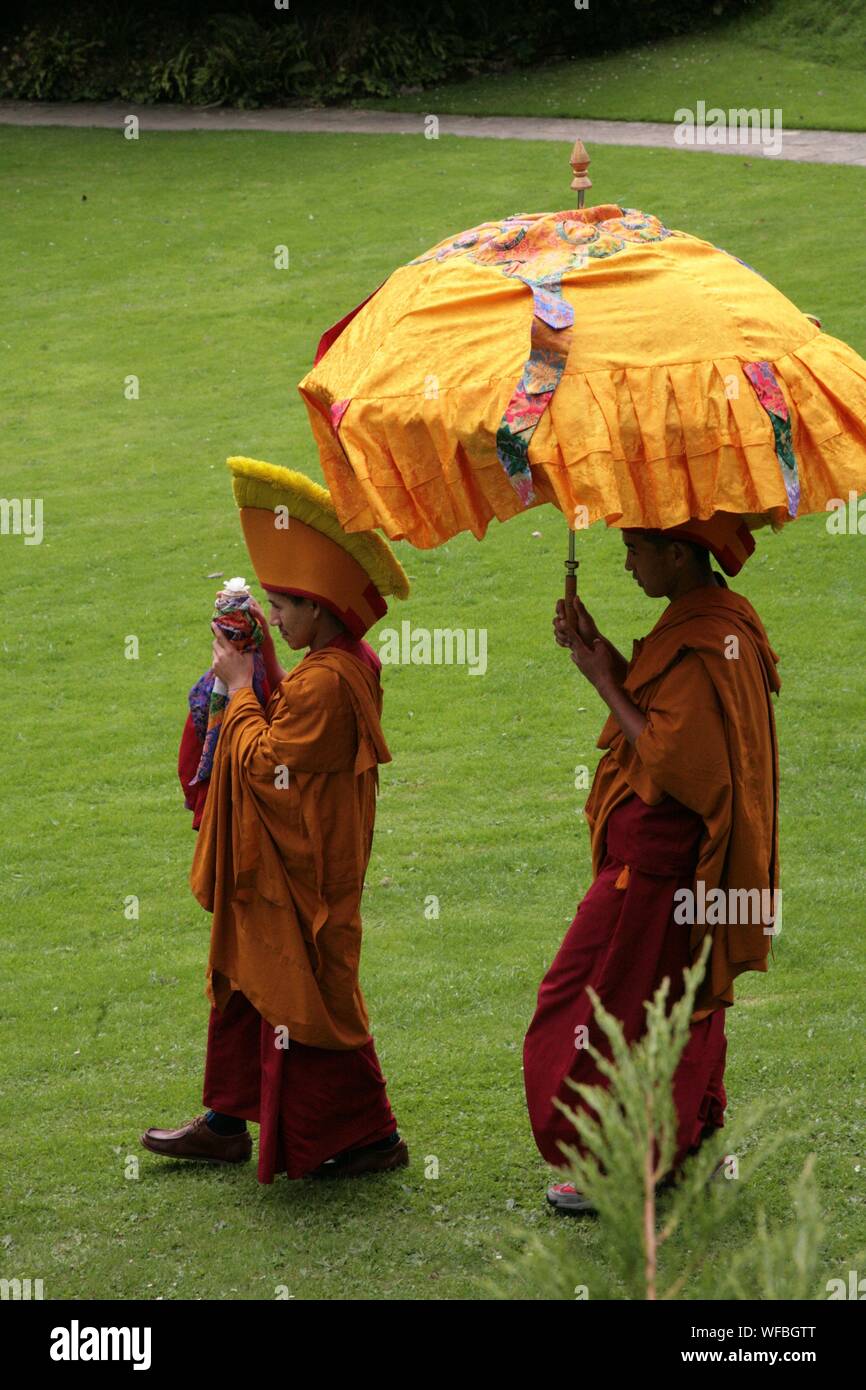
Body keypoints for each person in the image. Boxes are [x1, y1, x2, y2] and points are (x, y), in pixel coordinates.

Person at [142, 456, 410, 1182]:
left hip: (307, 871)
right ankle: (226, 1124)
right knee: (248, 977)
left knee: (307, 994)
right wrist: (260, 671)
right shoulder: (338, 660)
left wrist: (236, 689)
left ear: (318, 609)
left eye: (283, 609)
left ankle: (370, 1136)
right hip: (288, 858)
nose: (276, 619)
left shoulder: (330, 680)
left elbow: (266, 763)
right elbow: (291, 728)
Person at [523, 512, 781, 1213]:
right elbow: (669, 720)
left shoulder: (709, 639)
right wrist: (600, 654)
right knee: (675, 1005)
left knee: (590, 1002)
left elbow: (670, 765)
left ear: (676, 552)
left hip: (662, 869)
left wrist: (604, 681)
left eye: (637, 551)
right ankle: (680, 1142)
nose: (628, 563)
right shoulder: (709, 620)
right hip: (678, 866)